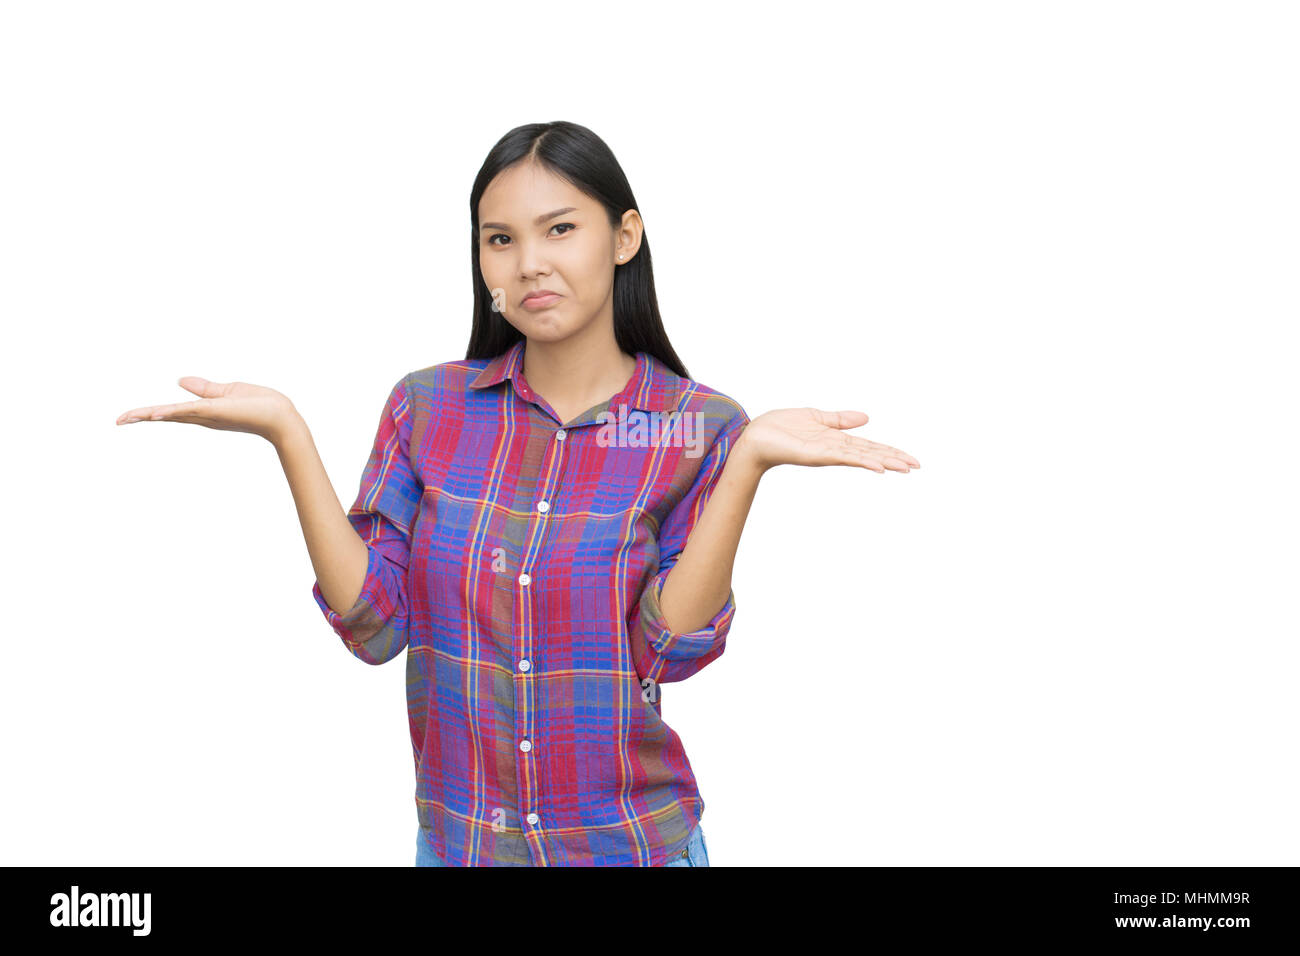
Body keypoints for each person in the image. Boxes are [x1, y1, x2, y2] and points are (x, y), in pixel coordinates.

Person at [115, 121, 920, 866]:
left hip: (632, 847)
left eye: (560, 228)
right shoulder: (426, 408)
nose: (529, 261)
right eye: (500, 239)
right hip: (463, 847)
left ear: (625, 237)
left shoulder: (693, 427)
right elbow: (374, 626)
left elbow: (672, 651)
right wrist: (288, 433)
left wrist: (746, 465)